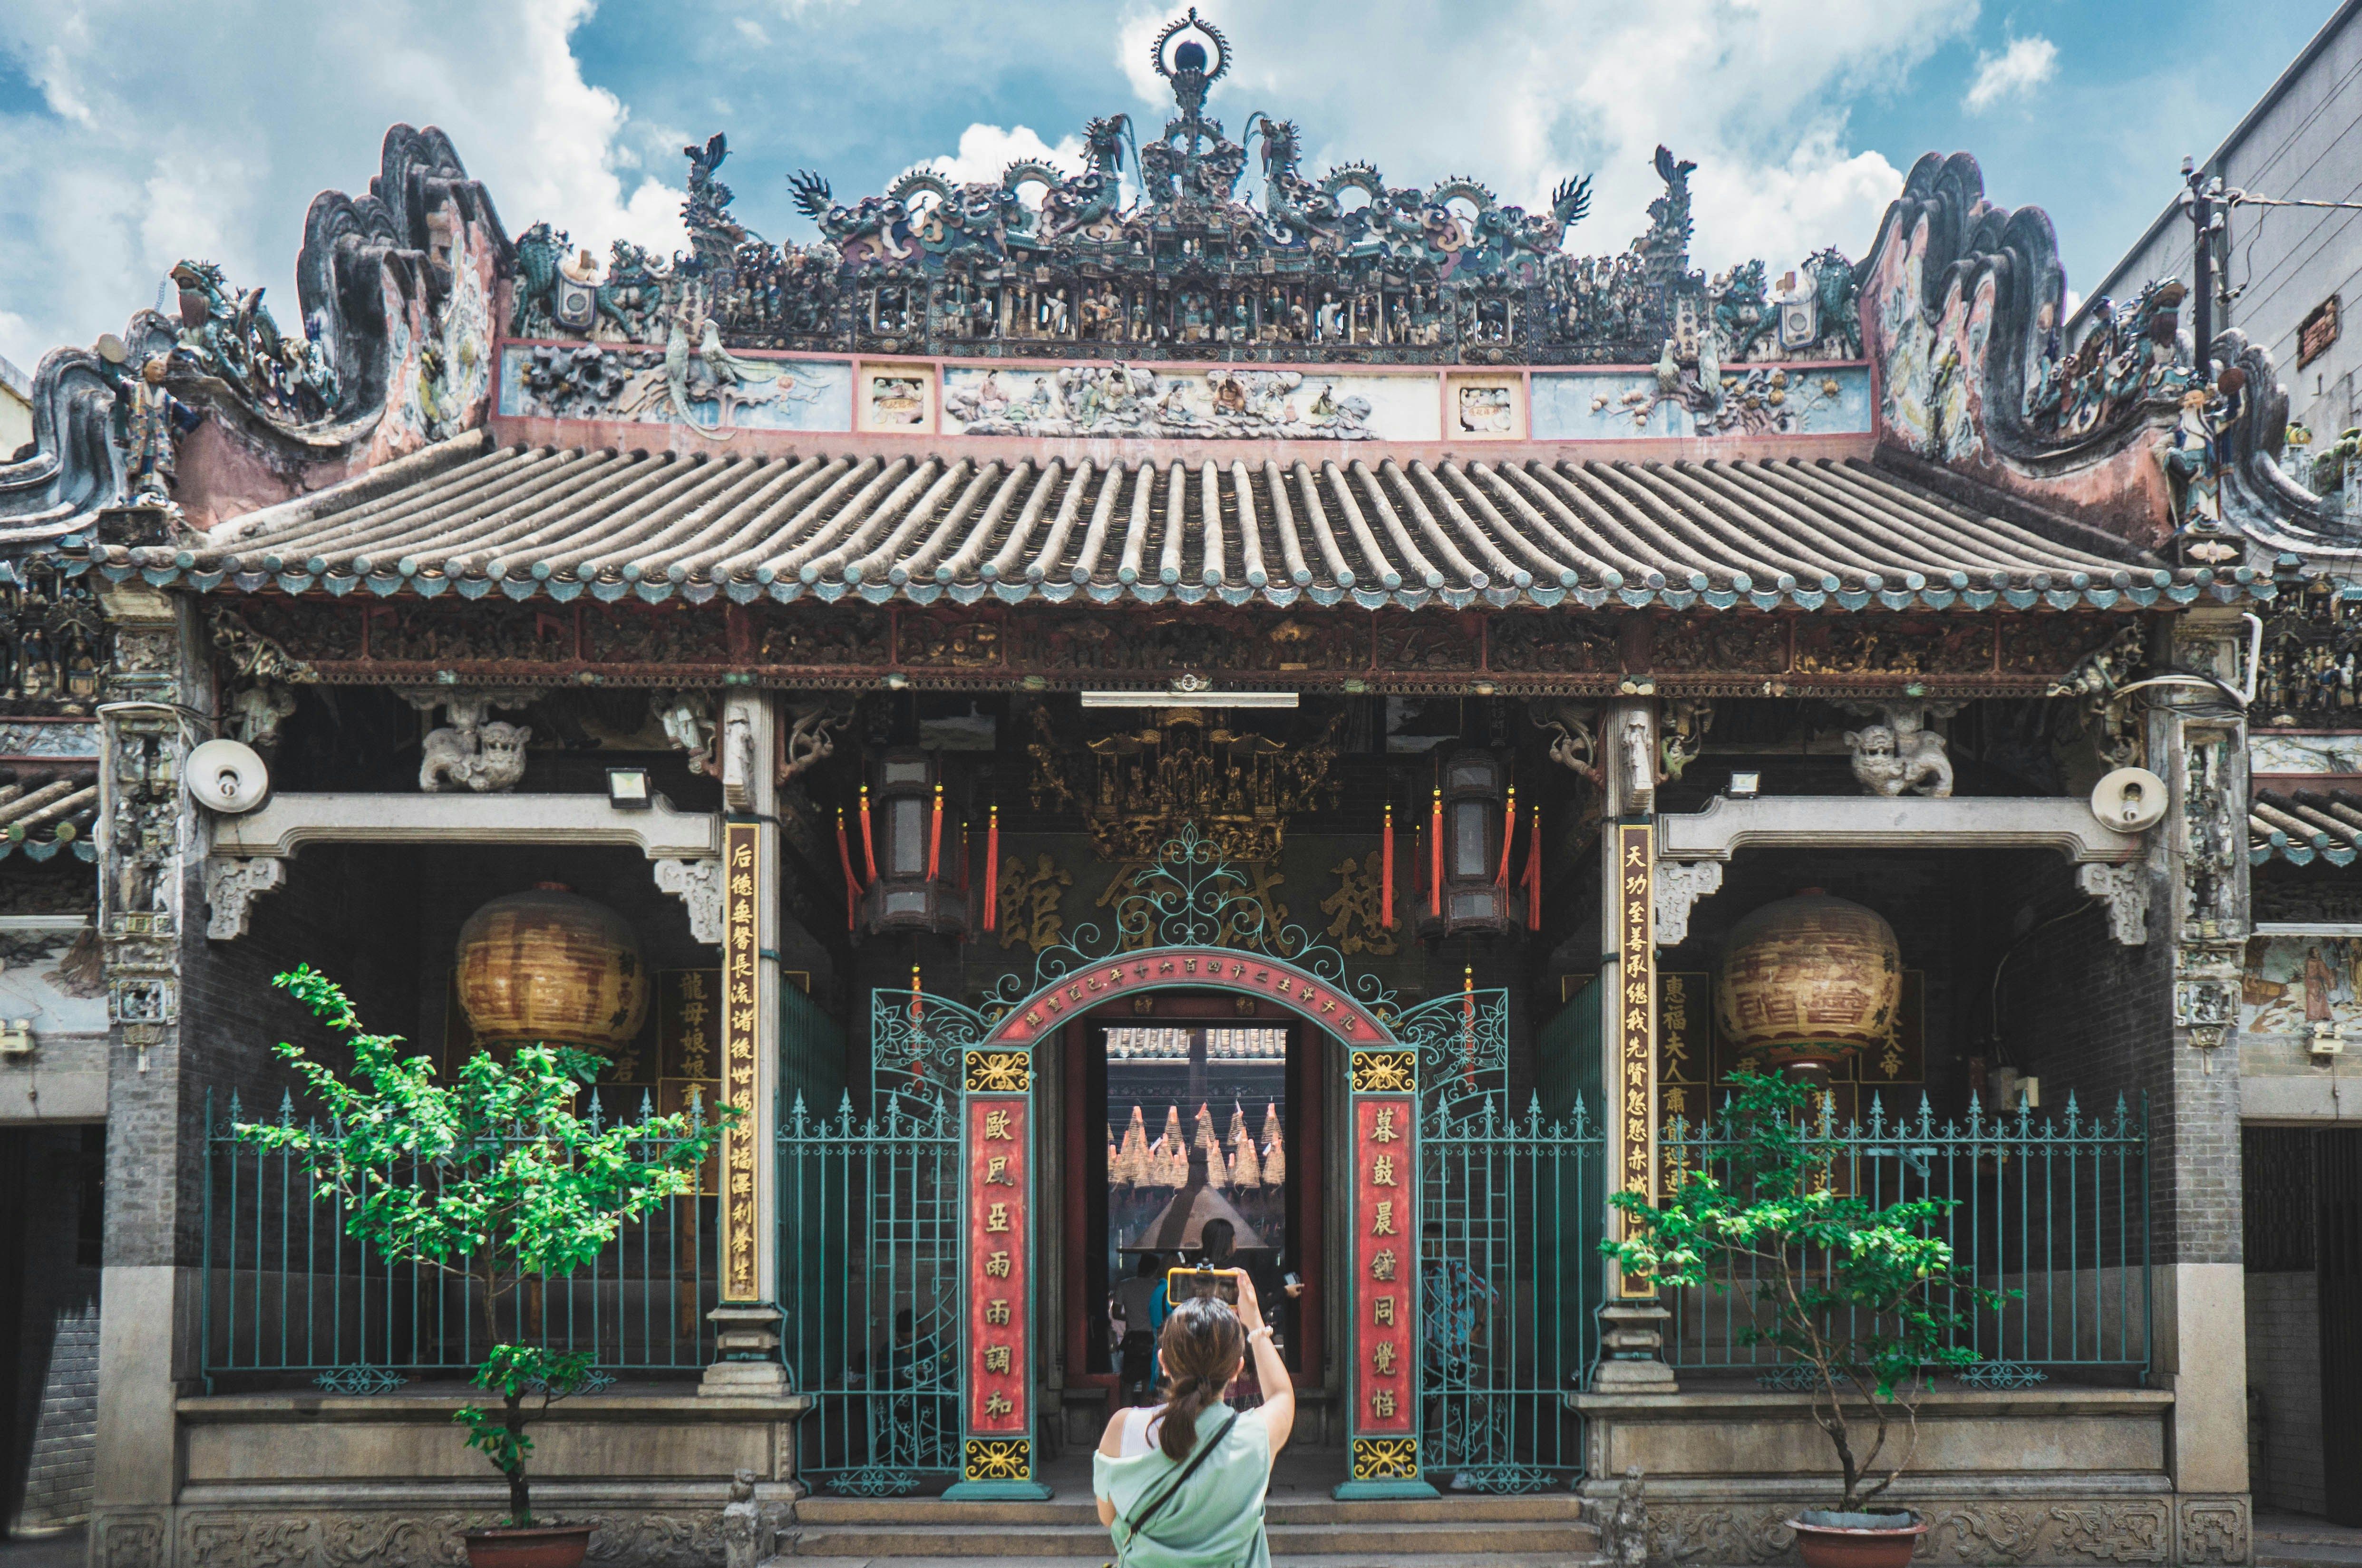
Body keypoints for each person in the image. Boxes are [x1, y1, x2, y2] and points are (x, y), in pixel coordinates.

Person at [1094, 1278, 1293, 1568]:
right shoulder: (1255, 1435)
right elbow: (1282, 1395)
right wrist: (1255, 1323)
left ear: (1163, 1363)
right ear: (1238, 1369)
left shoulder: (1123, 1428)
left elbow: (1108, 1516)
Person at [1111, 1251, 1166, 1403]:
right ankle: (1144, 1419)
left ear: (1139, 1266)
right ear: (1155, 1270)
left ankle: (1127, 1417)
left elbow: (1116, 1313)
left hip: (1132, 1341)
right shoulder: (1157, 1287)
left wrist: (1130, 1317)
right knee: (1148, 1384)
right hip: (1151, 1339)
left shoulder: (1124, 1285)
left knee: (1128, 1384)